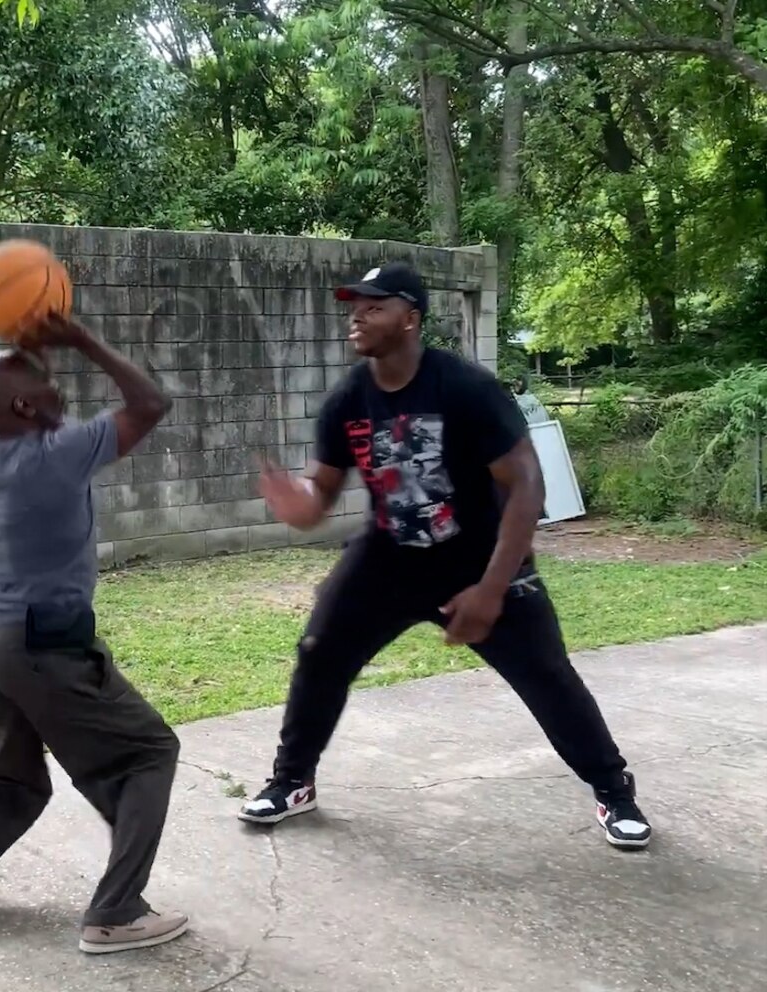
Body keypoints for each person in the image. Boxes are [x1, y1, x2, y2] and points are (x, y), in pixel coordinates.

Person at [238, 261, 652, 851]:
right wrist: (293, 503)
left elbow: (527, 488)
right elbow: (319, 500)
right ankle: (292, 781)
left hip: (480, 558)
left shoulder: (465, 389)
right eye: (354, 305)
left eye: (373, 306)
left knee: (547, 675)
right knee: (321, 651)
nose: (357, 315)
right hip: (388, 557)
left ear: (410, 319)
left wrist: (490, 590)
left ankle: (614, 791)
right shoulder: (347, 400)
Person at [0, 315, 189, 954]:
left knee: (11, 770)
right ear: (22, 403)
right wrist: (86, 340)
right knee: (146, 753)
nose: (60, 385)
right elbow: (150, 403)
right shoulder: (56, 453)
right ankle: (116, 912)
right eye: (47, 382)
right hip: (39, 644)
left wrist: (29, 361)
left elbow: (18, 404)